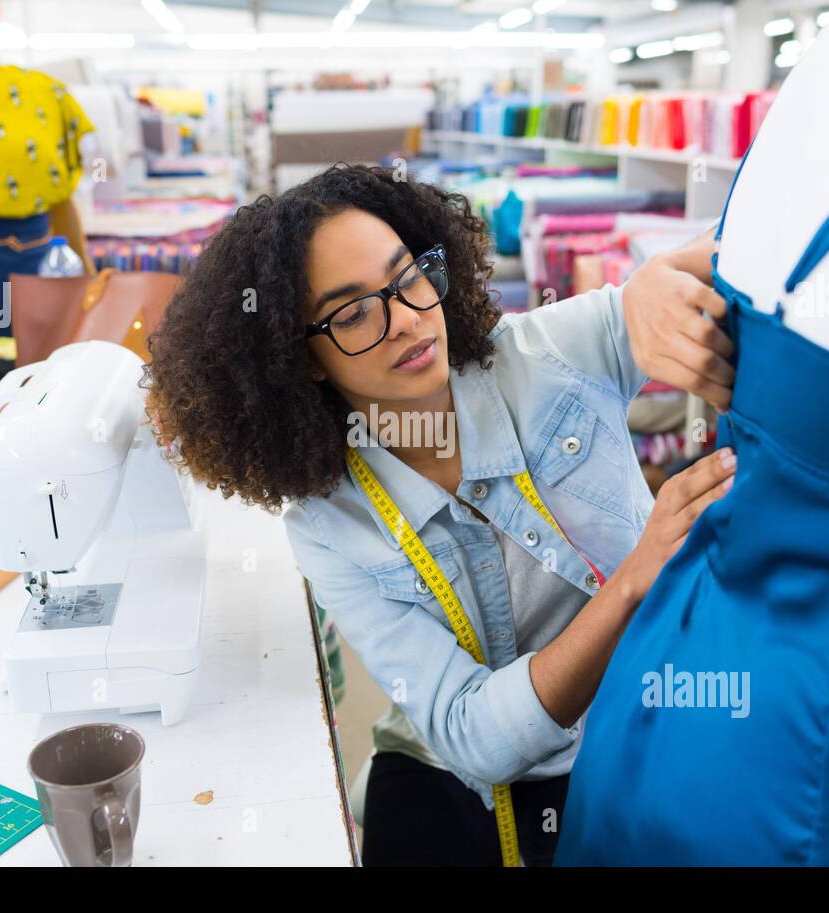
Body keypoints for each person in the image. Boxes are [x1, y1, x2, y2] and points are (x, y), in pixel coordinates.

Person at [147, 163, 731, 866]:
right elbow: (474, 739)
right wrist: (636, 580)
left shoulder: (551, 356)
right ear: (298, 360)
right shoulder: (331, 523)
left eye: (408, 277)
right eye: (354, 312)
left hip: (639, 726)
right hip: (451, 775)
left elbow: (710, 262)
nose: (407, 321)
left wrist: (661, 288)